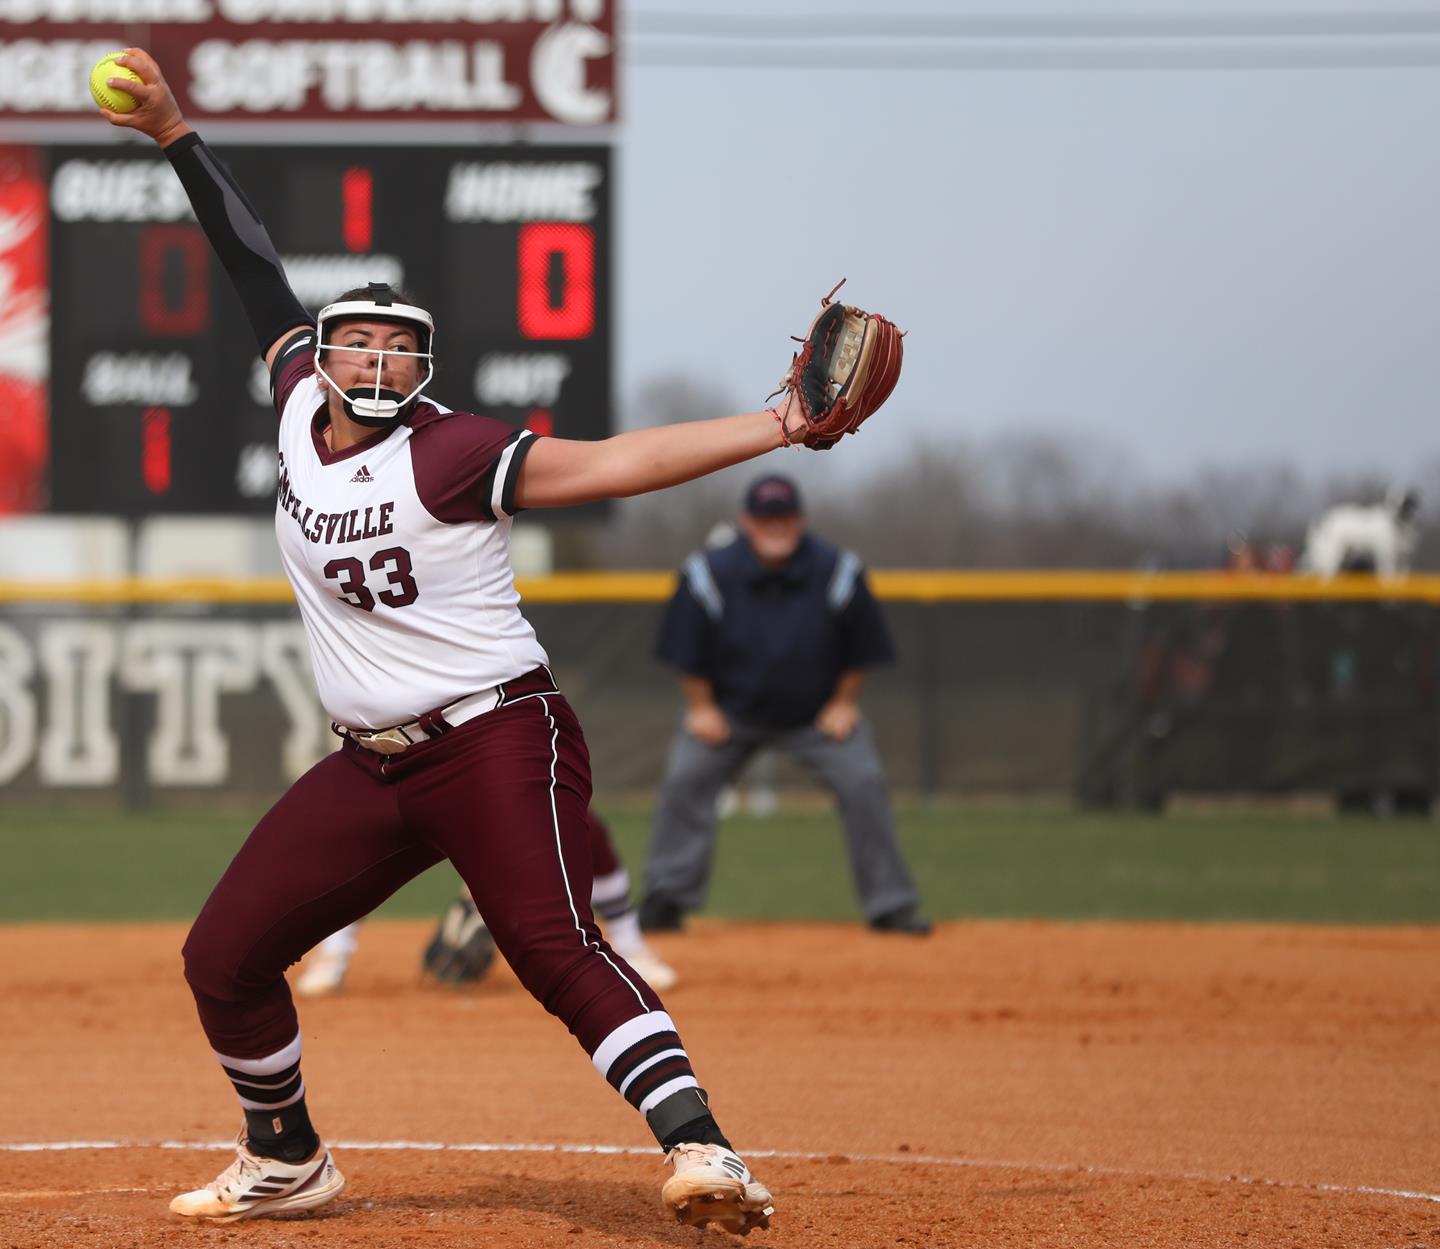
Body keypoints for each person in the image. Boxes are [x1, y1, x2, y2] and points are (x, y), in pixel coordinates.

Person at [96, 48, 886, 1234]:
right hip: (372, 762)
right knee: (224, 955)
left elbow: (616, 461)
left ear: (420, 368)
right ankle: (286, 1161)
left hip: (493, 739)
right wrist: (173, 136)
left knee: (553, 948)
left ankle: (706, 1153)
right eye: (354, 344)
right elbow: (250, 265)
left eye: (395, 351)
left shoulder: (450, 447)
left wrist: (775, 422)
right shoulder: (299, 406)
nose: (371, 364)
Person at [639, 474, 930, 937]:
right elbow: (685, 649)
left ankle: (890, 905)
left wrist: (844, 703)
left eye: (784, 517)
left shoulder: (838, 570)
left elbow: (862, 649)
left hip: (815, 715)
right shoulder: (709, 572)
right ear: (745, 521)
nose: (776, 526)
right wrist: (701, 708)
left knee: (864, 780)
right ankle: (666, 900)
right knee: (685, 778)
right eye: (765, 518)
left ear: (801, 520)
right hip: (729, 712)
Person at [294, 808, 680, 995]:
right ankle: (334, 953)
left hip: (481, 743)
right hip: (412, 751)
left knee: (581, 823)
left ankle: (631, 947)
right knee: (372, 841)